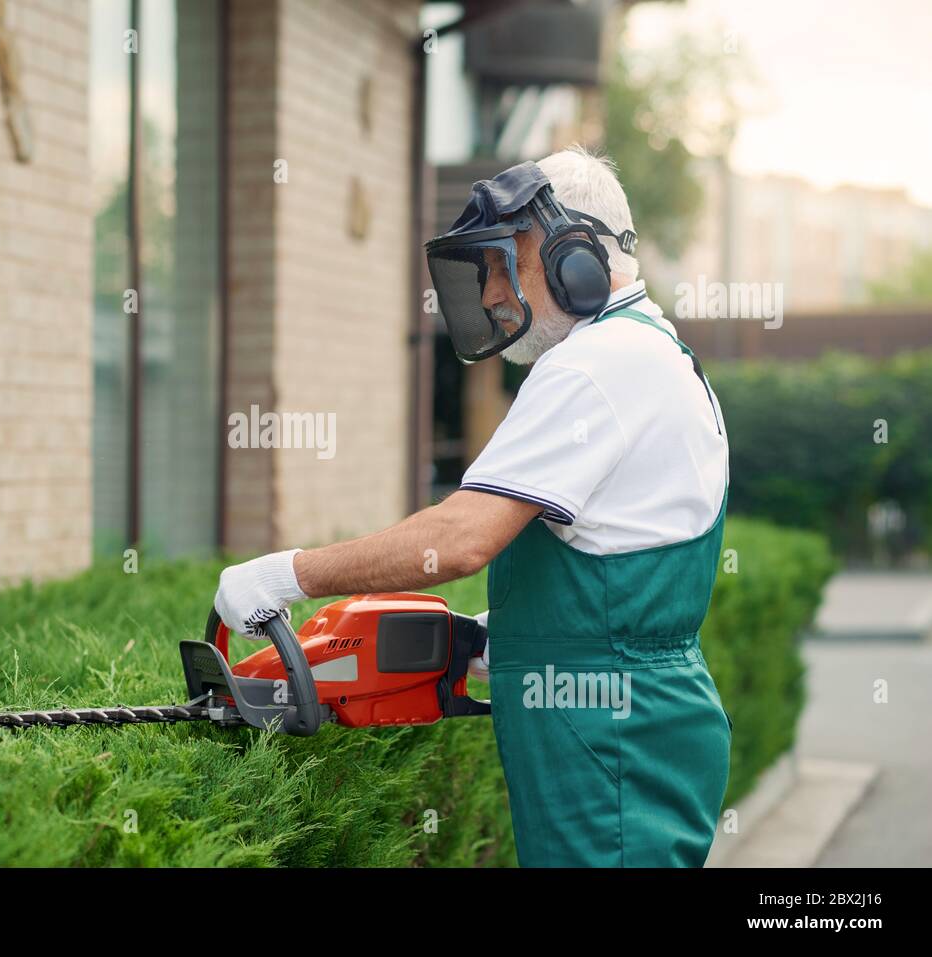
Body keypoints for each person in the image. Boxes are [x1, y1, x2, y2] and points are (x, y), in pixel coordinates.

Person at [214, 146, 732, 867]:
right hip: (632, 714)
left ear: (571, 253)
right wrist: (520, 635)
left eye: (500, 263)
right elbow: (627, 548)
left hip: (605, 736)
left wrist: (286, 574)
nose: (491, 294)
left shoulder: (591, 367)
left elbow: (461, 537)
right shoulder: (652, 350)